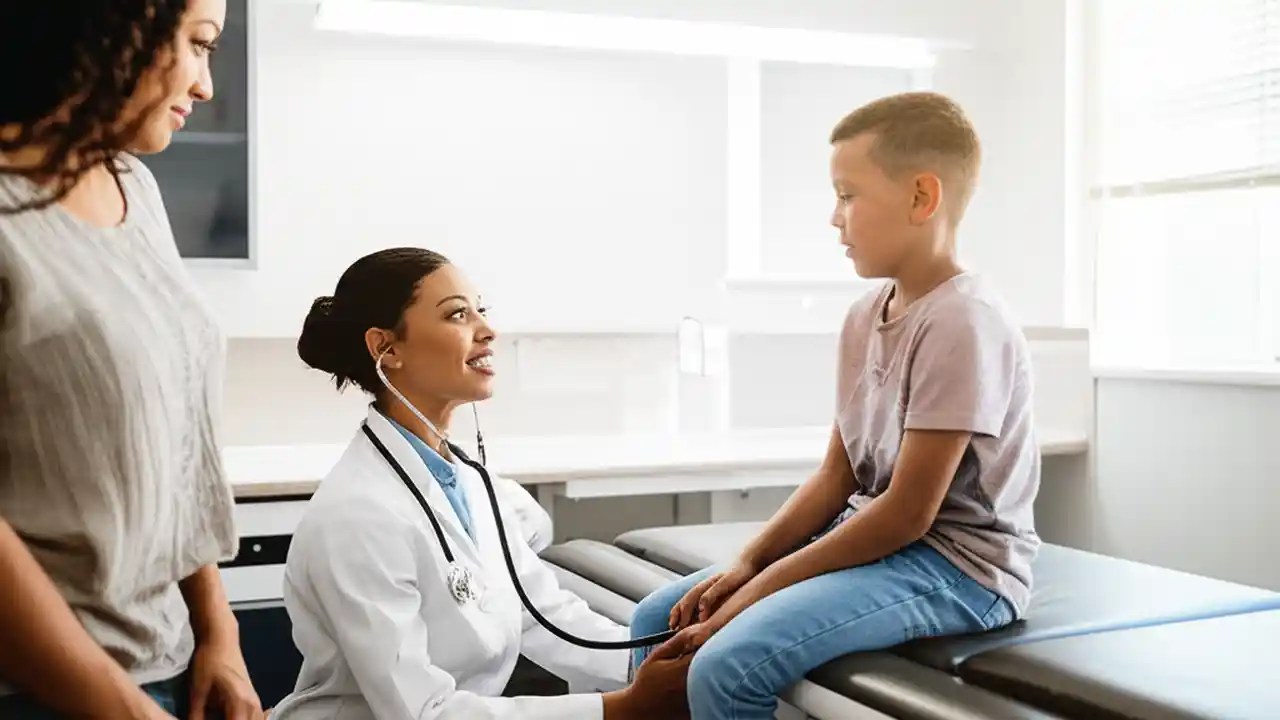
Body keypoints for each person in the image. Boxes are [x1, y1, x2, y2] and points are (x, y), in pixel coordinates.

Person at [629, 91, 1041, 719]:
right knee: (656, 618)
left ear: (921, 198)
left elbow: (907, 514)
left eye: (848, 195)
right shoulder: (862, 317)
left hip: (961, 568)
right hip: (889, 545)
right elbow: (837, 476)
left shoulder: (964, 319)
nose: (834, 217)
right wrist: (744, 565)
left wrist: (758, 591)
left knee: (726, 666)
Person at [271, 248, 691, 720]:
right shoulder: (358, 515)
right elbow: (425, 713)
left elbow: (542, 615)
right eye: (457, 314)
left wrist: (660, 661)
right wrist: (622, 707)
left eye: (481, 311)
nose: (487, 331)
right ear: (386, 348)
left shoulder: (471, 483)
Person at [0, 2, 263, 719]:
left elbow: (175, 446)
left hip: (171, 664)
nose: (206, 86)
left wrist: (220, 631)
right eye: (198, 44)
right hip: (42, 690)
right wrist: (125, 709)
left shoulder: (133, 187)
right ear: (109, 28)